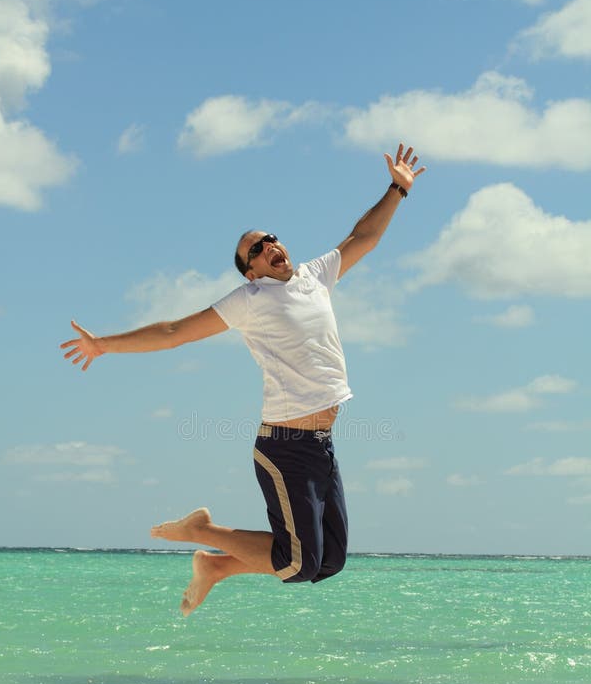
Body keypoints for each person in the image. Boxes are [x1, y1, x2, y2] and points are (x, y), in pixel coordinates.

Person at [61, 143, 425, 615]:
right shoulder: (249, 300)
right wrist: (103, 344)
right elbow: (175, 332)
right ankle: (202, 532)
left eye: (270, 238)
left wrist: (397, 188)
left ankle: (215, 567)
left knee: (328, 562)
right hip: (284, 445)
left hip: (321, 444)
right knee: (297, 564)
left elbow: (364, 237)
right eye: (255, 249)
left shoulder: (316, 277)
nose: (268, 247)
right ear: (250, 270)